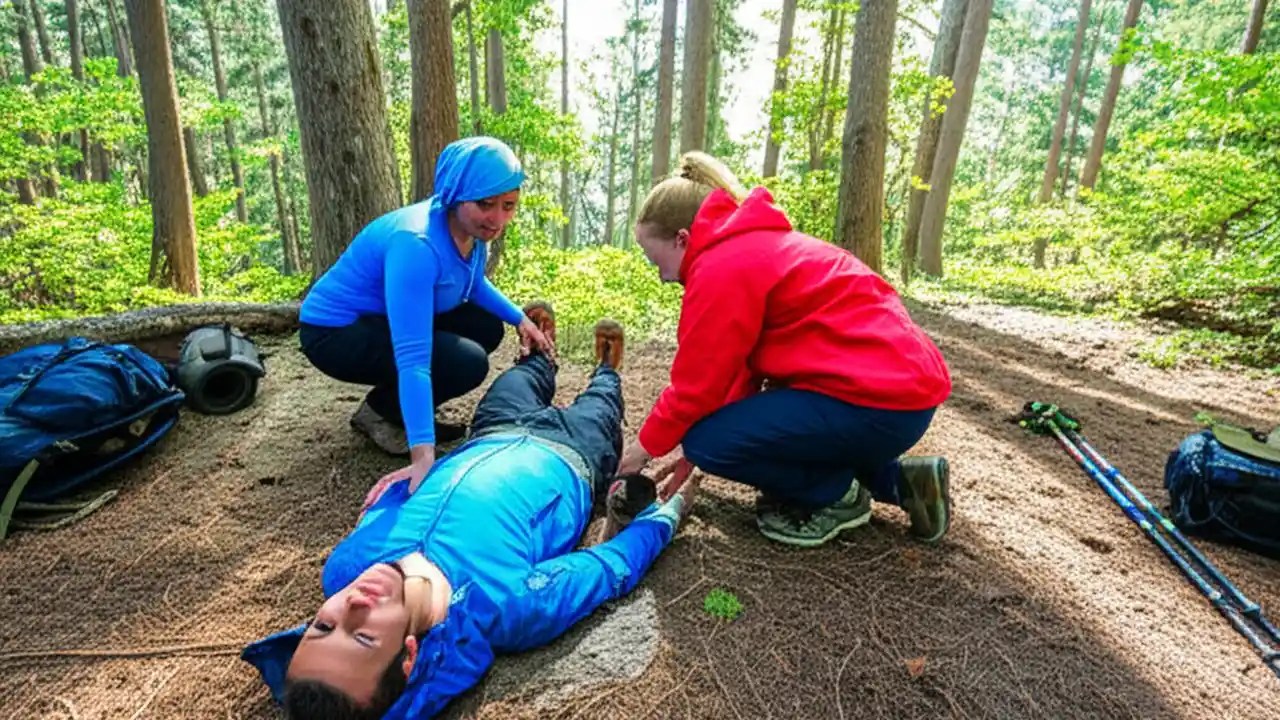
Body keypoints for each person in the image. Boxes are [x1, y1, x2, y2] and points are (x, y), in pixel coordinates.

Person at [241, 308, 693, 720]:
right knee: (601, 404)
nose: (352, 605)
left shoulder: (346, 567)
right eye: (363, 637)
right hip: (575, 456)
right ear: (409, 656)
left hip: (491, 431)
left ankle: (541, 356)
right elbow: (607, 567)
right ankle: (607, 370)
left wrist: (394, 490)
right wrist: (664, 517)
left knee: (517, 379)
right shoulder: (504, 608)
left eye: (323, 626)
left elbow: (387, 507)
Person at [614, 151, 954, 548]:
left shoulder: (720, 268)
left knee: (710, 442)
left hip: (876, 402)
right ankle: (903, 483)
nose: (660, 276)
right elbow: (738, 372)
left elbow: (694, 388)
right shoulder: (753, 246)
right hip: (902, 400)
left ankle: (836, 497)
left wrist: (639, 453)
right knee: (735, 430)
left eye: (655, 260)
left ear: (681, 239)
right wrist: (692, 452)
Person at [298, 136, 553, 494]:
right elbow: (413, 359)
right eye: (485, 204)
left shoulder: (470, 230)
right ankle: (383, 414)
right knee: (466, 362)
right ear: (457, 195)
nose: (498, 219)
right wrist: (423, 456)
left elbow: (471, 282)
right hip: (335, 331)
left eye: (508, 206)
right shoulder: (416, 243)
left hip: (380, 315)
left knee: (485, 326)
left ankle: (389, 408)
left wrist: (520, 319)